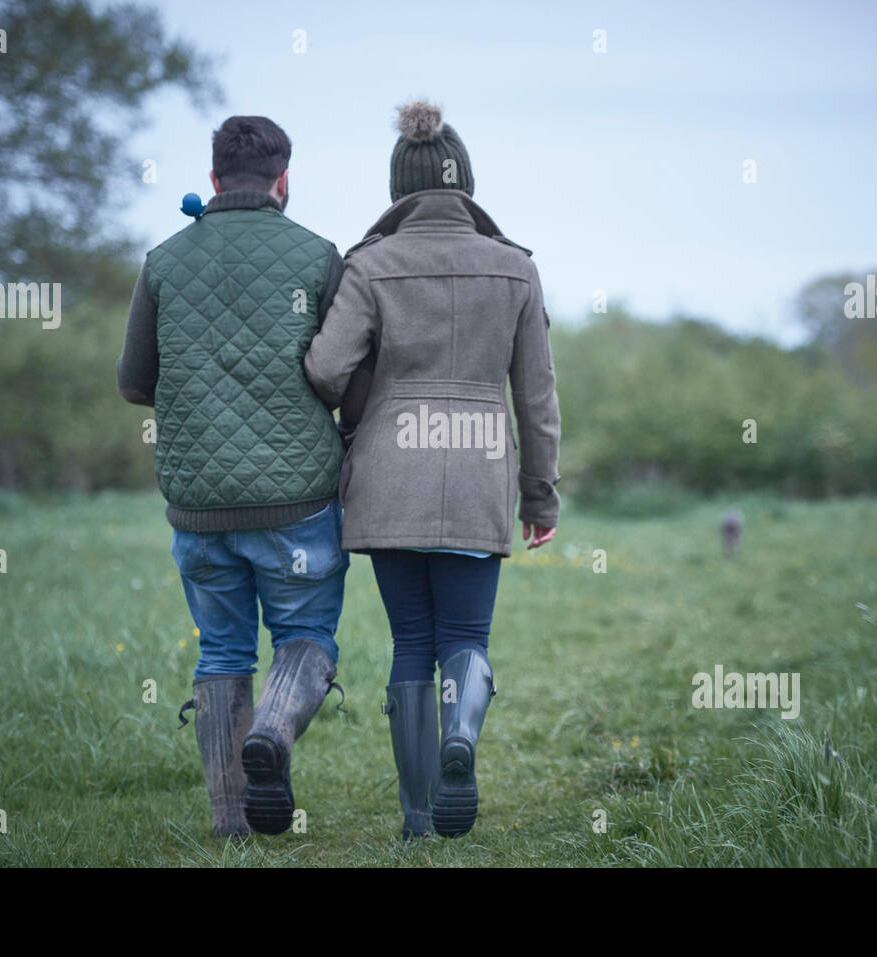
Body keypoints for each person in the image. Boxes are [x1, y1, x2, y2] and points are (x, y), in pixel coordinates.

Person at [305, 100, 561, 840]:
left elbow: (324, 370)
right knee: (466, 637)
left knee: (411, 641)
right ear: (468, 186)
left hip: (389, 480)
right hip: (481, 474)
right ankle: (461, 736)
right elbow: (536, 397)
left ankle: (418, 821)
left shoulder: (369, 265)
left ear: (399, 190)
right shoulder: (516, 269)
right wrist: (539, 495)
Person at [116, 115, 352, 838]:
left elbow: (133, 381)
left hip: (198, 505)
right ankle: (274, 733)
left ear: (214, 179)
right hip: (300, 501)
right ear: (285, 181)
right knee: (306, 633)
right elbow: (342, 374)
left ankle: (230, 822)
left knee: (221, 652)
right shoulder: (318, 256)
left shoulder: (163, 260)